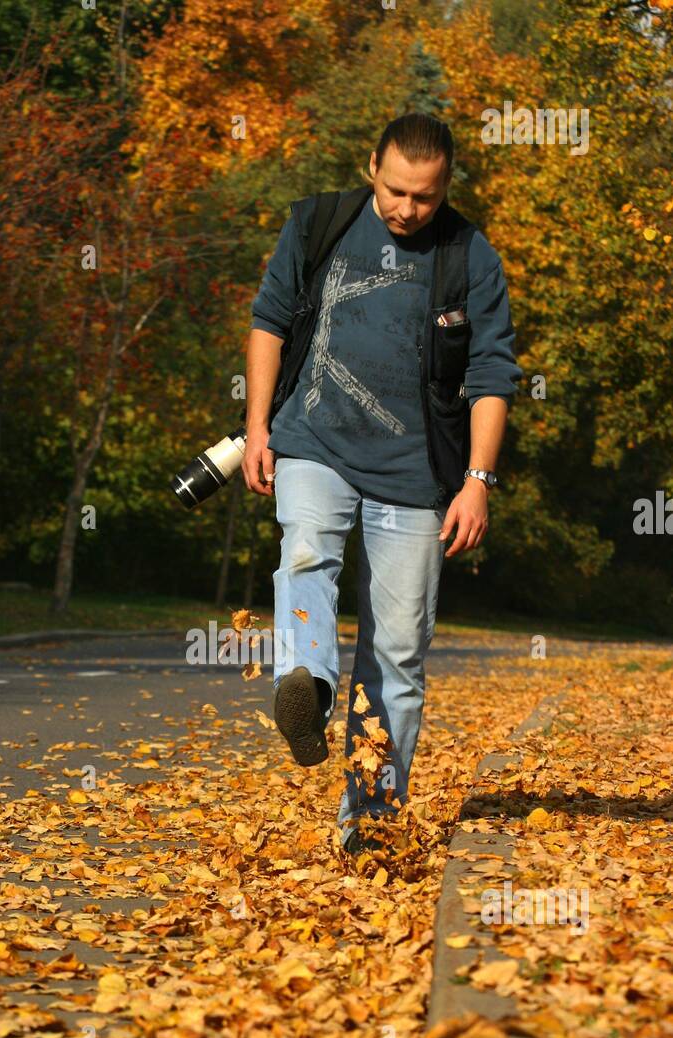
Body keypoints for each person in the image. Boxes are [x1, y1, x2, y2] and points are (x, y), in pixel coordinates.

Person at [244, 113, 521, 852]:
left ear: (446, 188)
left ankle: (371, 818)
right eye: (396, 190)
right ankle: (306, 684)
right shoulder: (318, 225)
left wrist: (478, 480)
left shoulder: (469, 256)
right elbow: (270, 319)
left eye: (424, 198)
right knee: (305, 548)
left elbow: (494, 373)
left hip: (417, 478)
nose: (407, 208)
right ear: (373, 166)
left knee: (396, 655)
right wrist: (259, 425)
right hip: (313, 443)